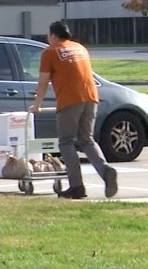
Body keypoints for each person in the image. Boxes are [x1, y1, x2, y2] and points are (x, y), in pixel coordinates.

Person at [29, 21, 118, 199]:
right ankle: (105, 170)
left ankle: (77, 186)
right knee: (87, 140)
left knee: (66, 142)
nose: (47, 38)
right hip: (91, 97)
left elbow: (43, 82)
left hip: (70, 100)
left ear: (54, 35)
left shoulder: (50, 52)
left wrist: (37, 104)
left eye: (48, 35)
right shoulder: (80, 48)